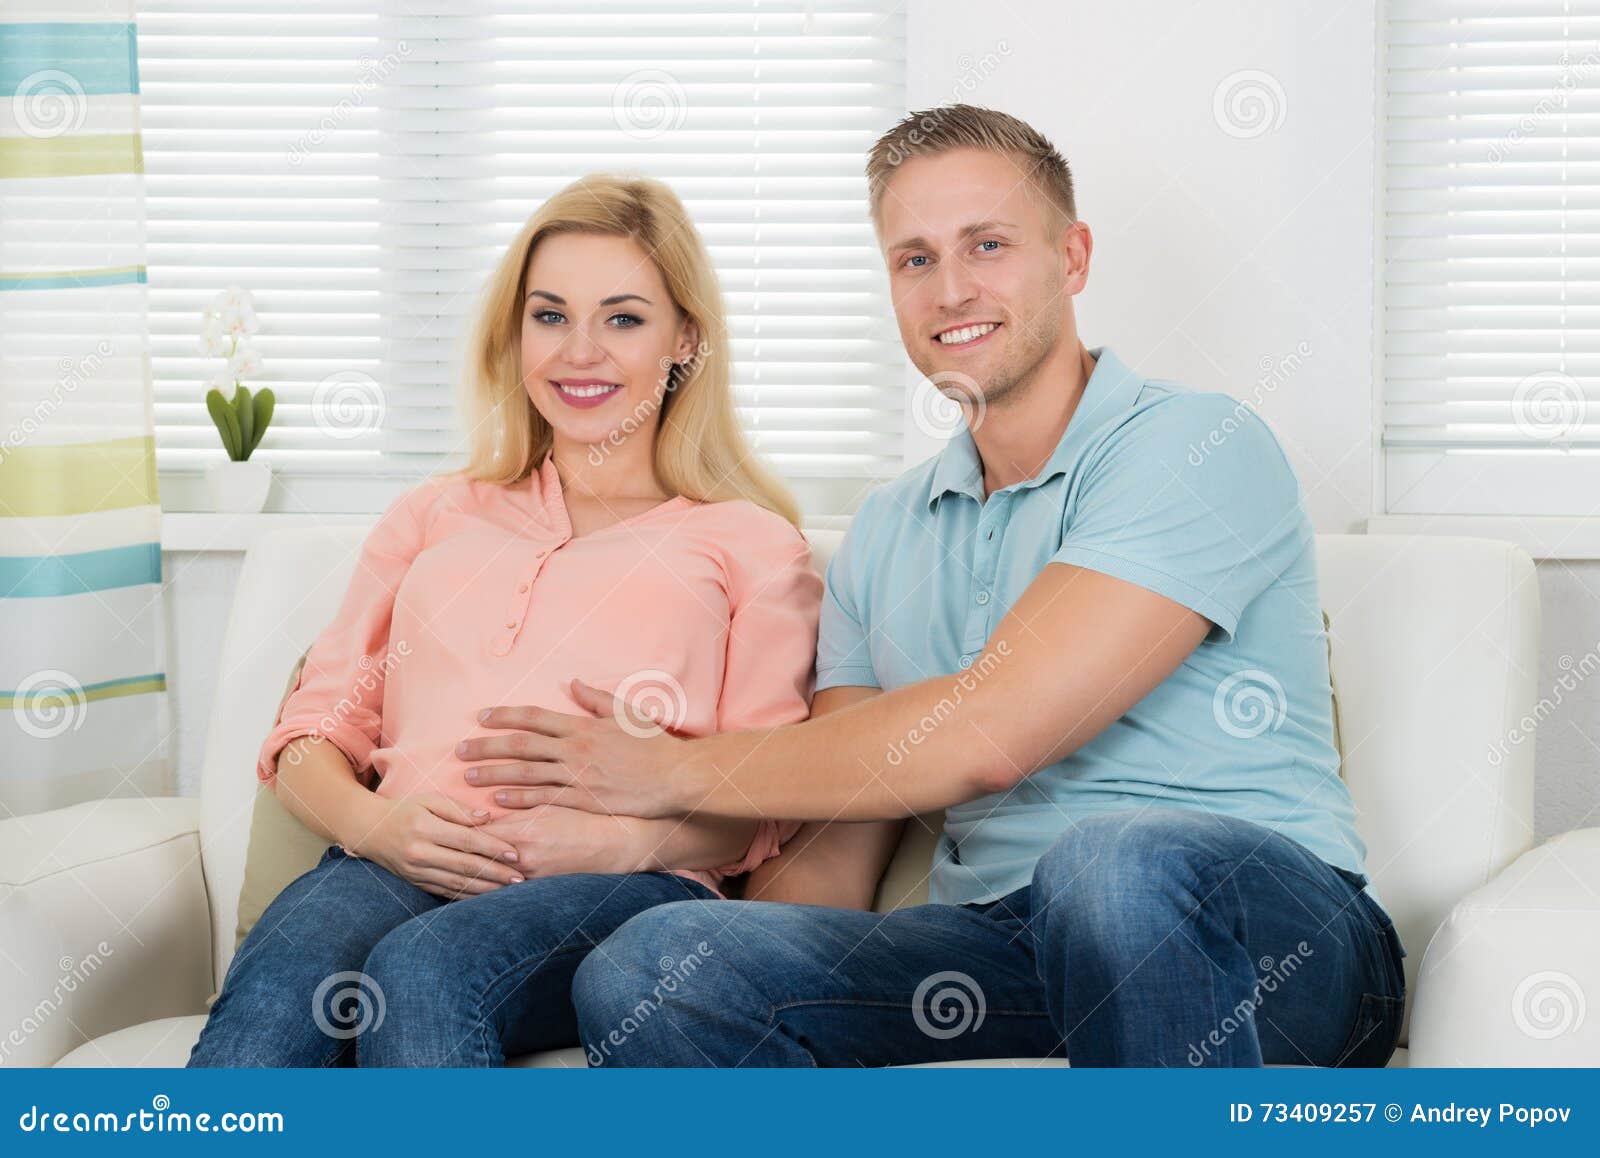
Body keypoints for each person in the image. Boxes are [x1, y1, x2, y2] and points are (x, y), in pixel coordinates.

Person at [460, 106, 1409, 1068]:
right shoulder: (889, 528)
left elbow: (987, 735)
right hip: (1002, 948)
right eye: (914, 259)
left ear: (1072, 258)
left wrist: (667, 770)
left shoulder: (1195, 445)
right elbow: (837, 846)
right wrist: (661, 874)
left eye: (987, 245)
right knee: (658, 964)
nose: (951, 288)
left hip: (1272, 940)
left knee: (1113, 867)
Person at [187, 174, 821, 1068]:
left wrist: (617, 842)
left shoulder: (751, 544)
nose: (580, 353)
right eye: (551, 316)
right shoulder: (435, 514)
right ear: (514, 332)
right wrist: (379, 828)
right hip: (396, 859)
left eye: (624, 318)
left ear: (687, 339)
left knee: (427, 970)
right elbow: (312, 730)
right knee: (287, 980)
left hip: (618, 887)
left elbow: (758, 796)